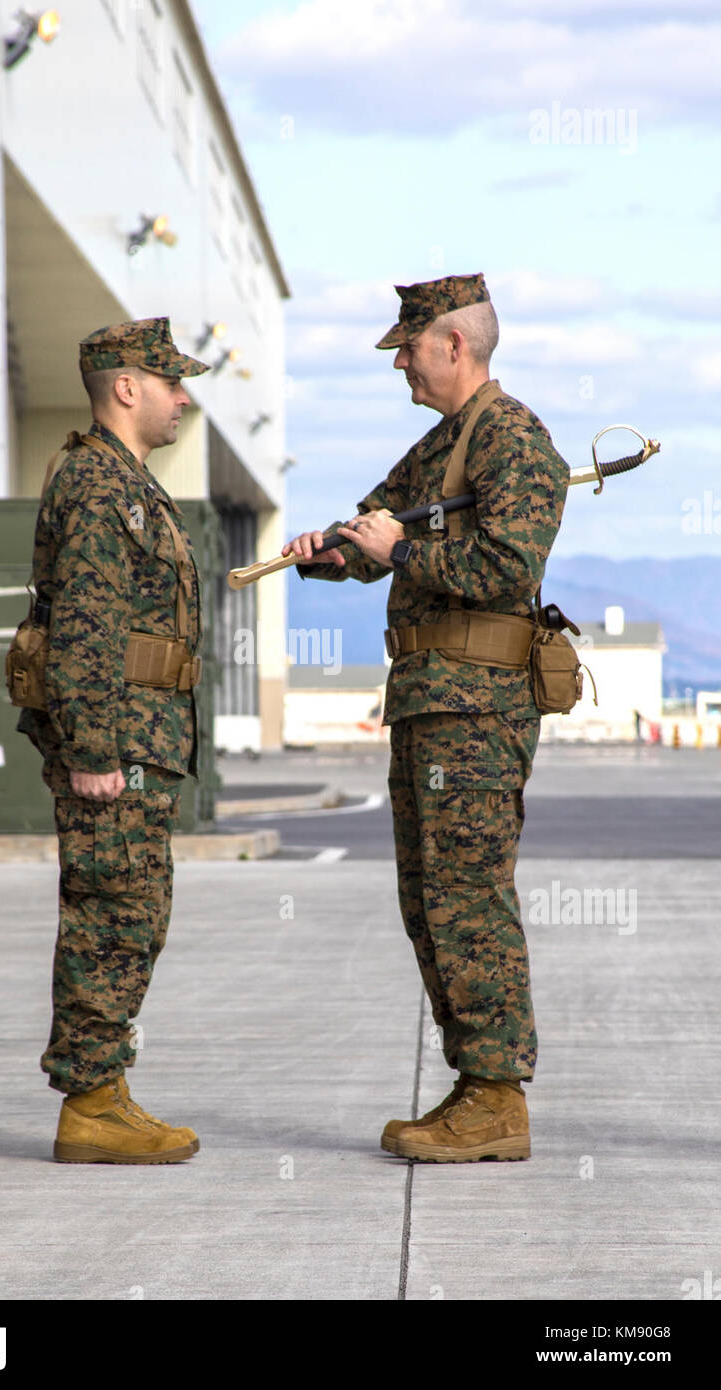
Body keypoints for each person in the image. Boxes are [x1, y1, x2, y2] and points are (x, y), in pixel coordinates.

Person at [282, 274, 570, 1162]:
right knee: (428, 899)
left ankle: (495, 1095)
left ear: (456, 345)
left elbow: (506, 564)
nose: (399, 361)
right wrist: (327, 552)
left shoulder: (513, 438)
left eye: (408, 346)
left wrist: (400, 548)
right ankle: (474, 1084)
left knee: (466, 896)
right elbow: (374, 529)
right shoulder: (443, 446)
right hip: (430, 702)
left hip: (477, 707)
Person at [17, 318, 209, 1164]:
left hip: (140, 738)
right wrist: (94, 752)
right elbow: (86, 632)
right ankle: (92, 1105)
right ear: (126, 388)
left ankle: (103, 1092)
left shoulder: (124, 481)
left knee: (133, 913)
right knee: (111, 915)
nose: (184, 398)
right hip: (118, 746)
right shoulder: (100, 485)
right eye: (172, 383)